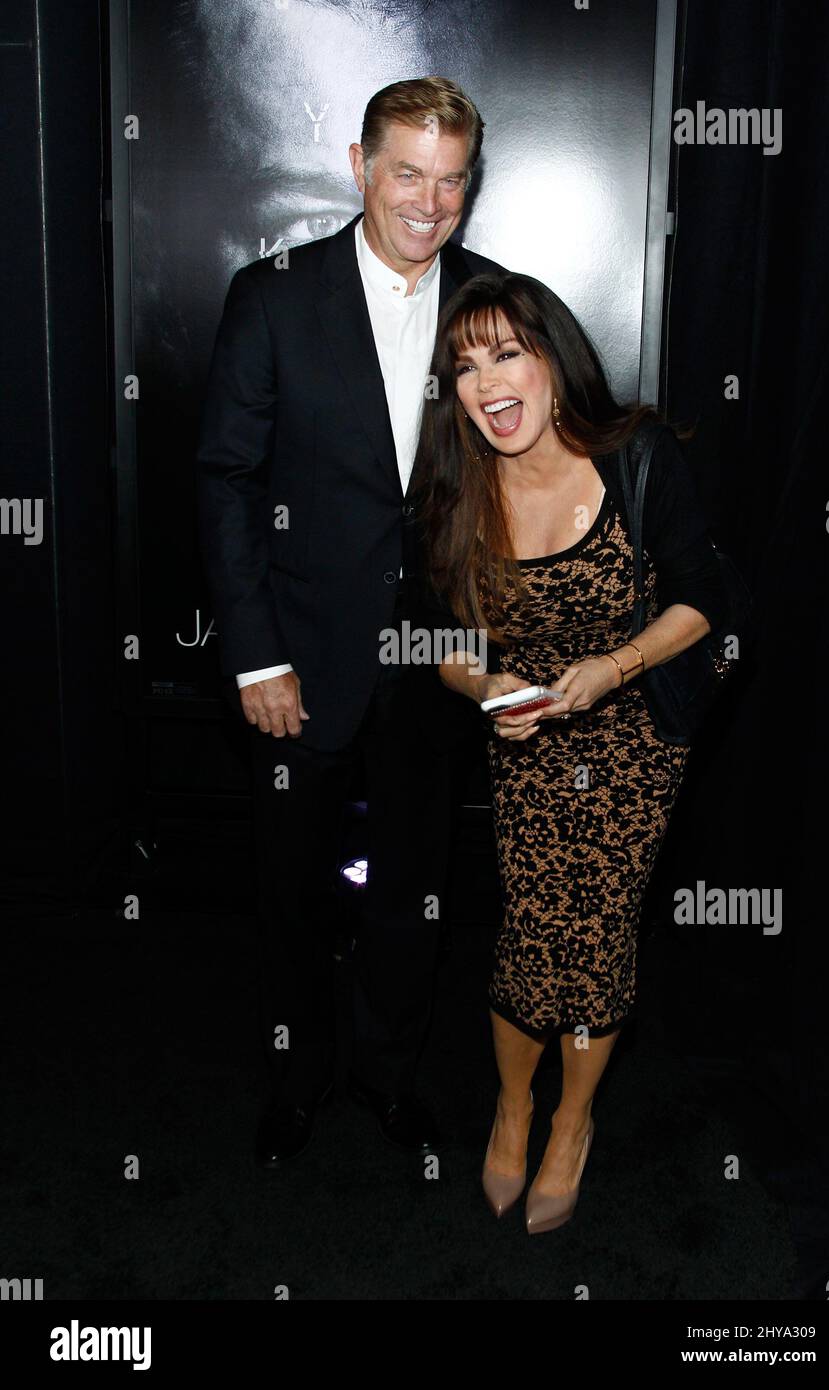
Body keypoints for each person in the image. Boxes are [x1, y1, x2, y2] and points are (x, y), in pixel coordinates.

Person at [196, 78, 505, 1166]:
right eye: (408, 172)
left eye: (451, 178)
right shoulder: (273, 296)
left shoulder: (492, 304)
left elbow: (523, 482)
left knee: (413, 890)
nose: (428, 201)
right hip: (299, 657)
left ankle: (385, 1074)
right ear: (359, 164)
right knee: (290, 890)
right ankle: (298, 1076)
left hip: (432, 664)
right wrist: (255, 656)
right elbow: (227, 482)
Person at [410, 271, 728, 1232]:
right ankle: (513, 1107)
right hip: (529, 740)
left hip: (635, 737)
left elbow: (709, 598)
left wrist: (616, 666)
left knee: (595, 935)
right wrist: (487, 687)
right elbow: (442, 641)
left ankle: (573, 1121)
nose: (487, 382)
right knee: (529, 931)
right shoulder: (458, 480)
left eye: (507, 352)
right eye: (465, 364)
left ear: (554, 360)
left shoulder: (634, 458)